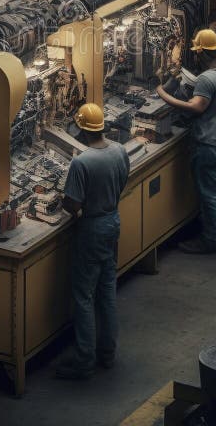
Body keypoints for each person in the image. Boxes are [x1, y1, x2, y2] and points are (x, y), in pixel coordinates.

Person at [56, 103, 130, 380]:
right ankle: (107, 353)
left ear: (81, 129)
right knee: (107, 290)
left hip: (92, 228)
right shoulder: (119, 151)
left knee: (84, 295)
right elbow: (122, 181)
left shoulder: (82, 162)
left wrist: (70, 204)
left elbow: (72, 203)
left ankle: (85, 359)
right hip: (112, 221)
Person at [156, 29, 216, 255]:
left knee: (208, 195)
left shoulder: (206, 79)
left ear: (201, 53)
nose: (195, 56)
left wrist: (164, 95)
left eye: (196, 52)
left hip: (209, 145)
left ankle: (210, 240)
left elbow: (196, 107)